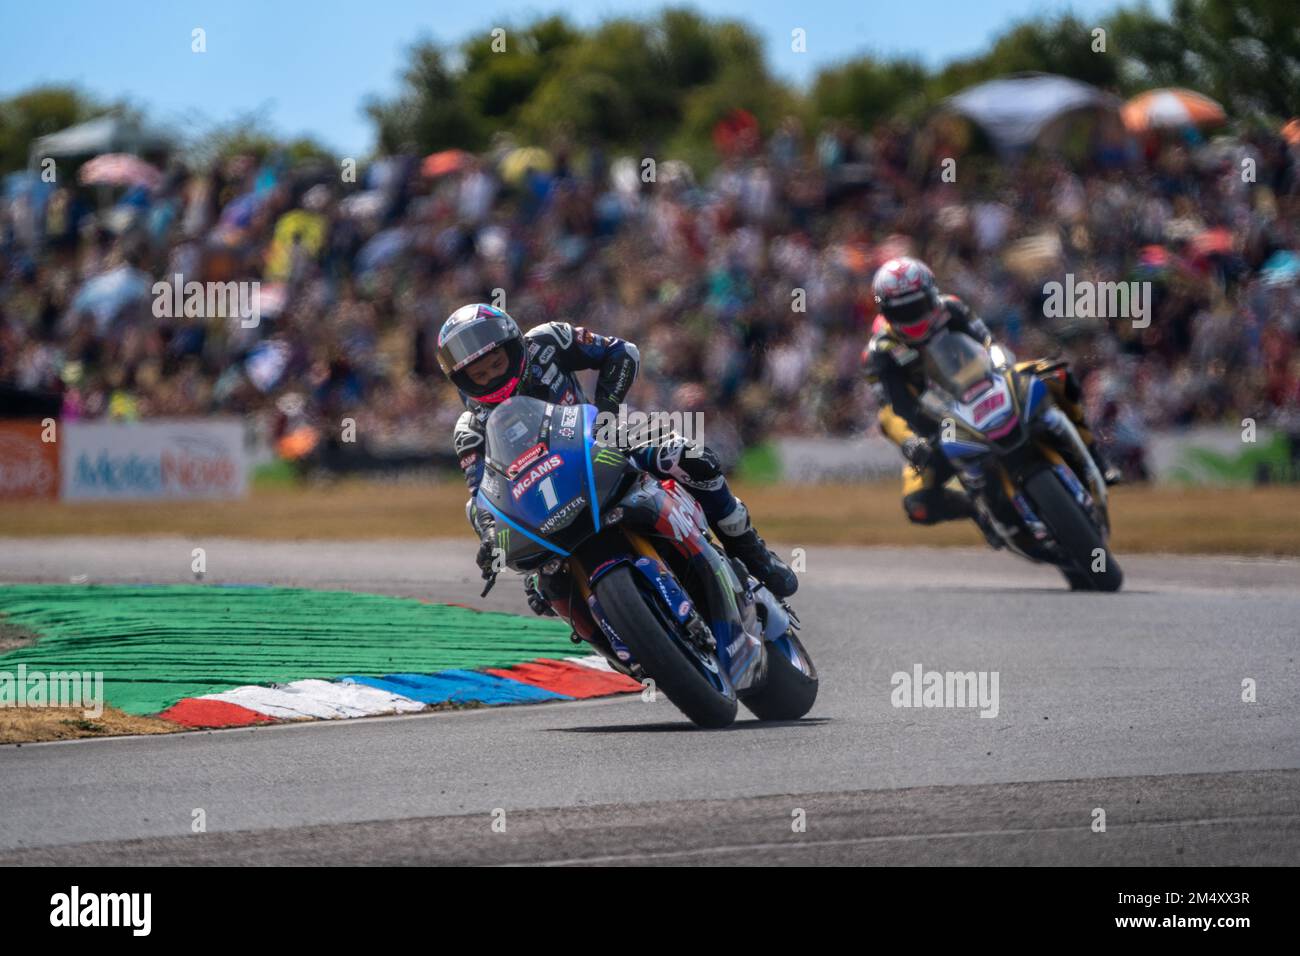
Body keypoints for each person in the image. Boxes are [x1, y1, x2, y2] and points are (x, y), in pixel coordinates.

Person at [435, 303, 797, 618]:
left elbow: (622, 353)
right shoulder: (470, 429)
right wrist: (489, 540)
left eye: (496, 363)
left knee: (688, 456)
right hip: (539, 500)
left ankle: (749, 549)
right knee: (541, 588)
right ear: (462, 381)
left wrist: (606, 415)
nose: (492, 377)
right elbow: (483, 497)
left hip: (597, 439)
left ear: (513, 345)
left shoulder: (547, 341)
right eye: (479, 375)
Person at [863, 257, 1120, 536]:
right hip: (937, 426)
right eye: (902, 311)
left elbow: (987, 342)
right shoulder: (880, 352)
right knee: (917, 505)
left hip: (984, 387)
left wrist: (1003, 367)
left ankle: (1095, 458)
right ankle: (979, 510)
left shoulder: (951, 308)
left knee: (1055, 376)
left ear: (931, 294)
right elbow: (891, 409)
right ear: (885, 312)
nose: (912, 316)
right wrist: (911, 442)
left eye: (917, 305)